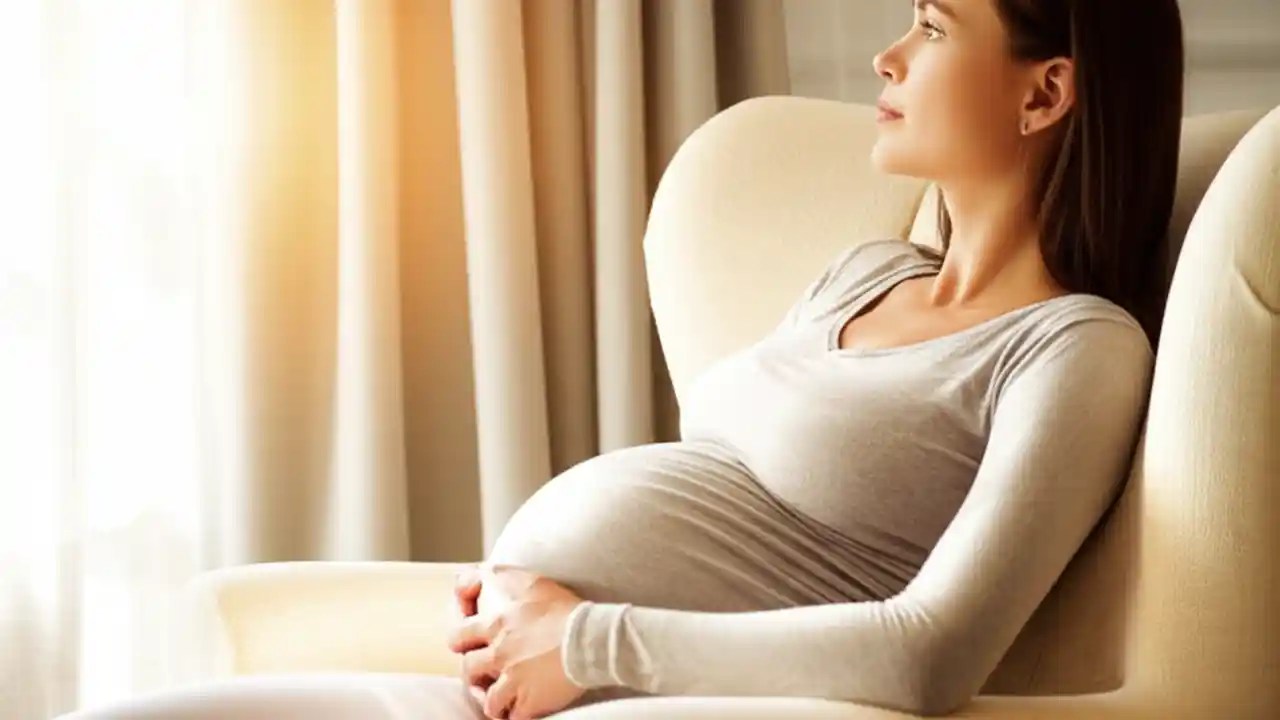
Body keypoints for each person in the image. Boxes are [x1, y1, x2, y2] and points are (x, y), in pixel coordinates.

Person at [57, 0, 1184, 718]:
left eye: (933, 28)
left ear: (1045, 90)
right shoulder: (862, 272)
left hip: (653, 699)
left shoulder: (1073, 350)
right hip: (533, 687)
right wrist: (532, 619)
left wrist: (584, 638)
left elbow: (926, 655)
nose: (887, 54)